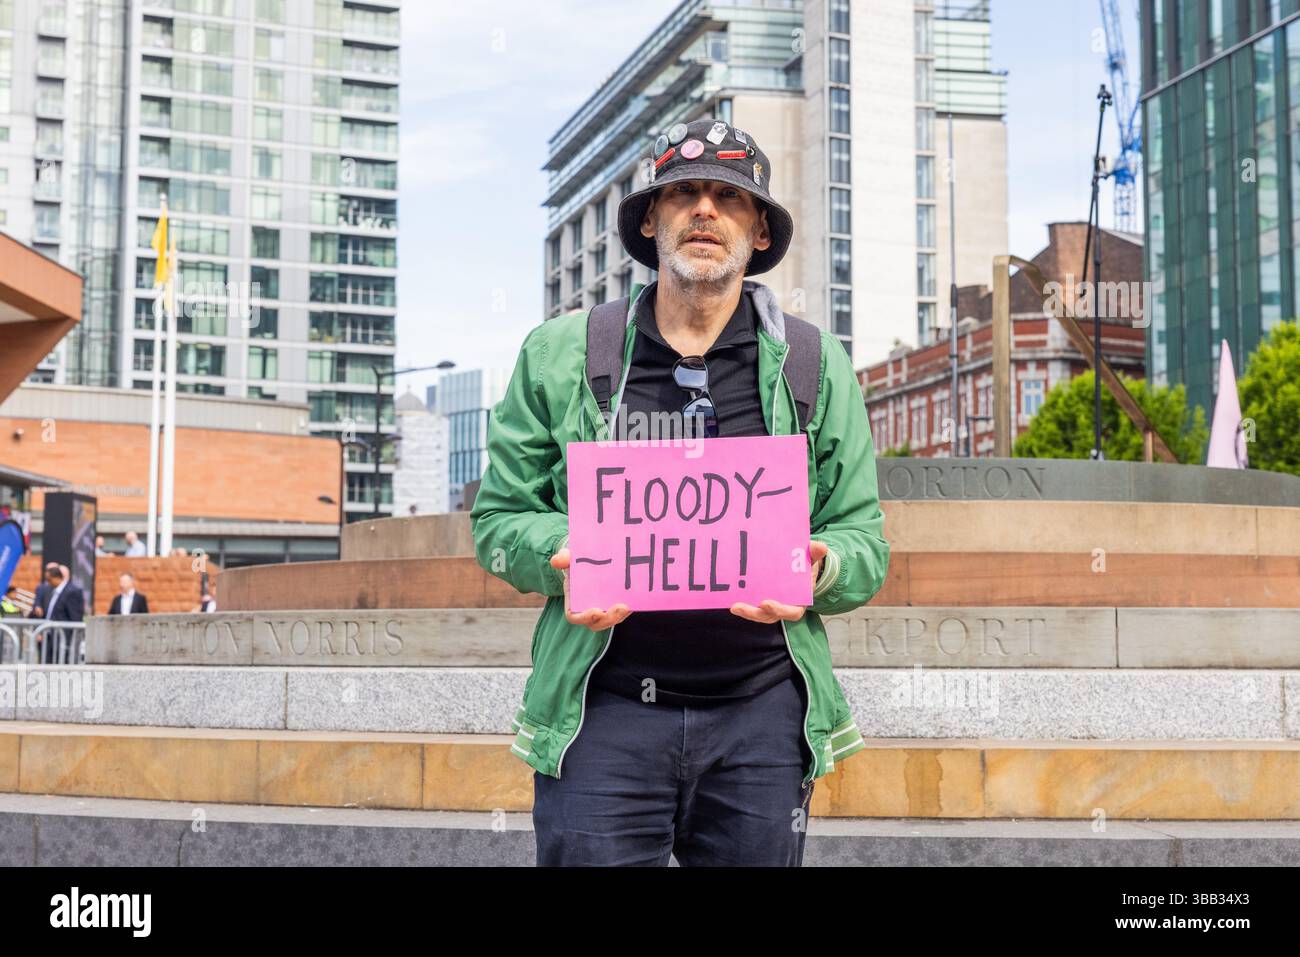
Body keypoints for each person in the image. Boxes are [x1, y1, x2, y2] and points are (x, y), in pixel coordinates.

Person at [471, 117, 889, 867]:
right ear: (651, 221)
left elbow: (864, 537)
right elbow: (499, 520)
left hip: (760, 719)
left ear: (758, 230)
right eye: (685, 194)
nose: (705, 210)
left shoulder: (814, 364)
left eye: (729, 197)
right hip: (604, 711)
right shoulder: (560, 354)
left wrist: (819, 562)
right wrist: (561, 551)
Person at [28, 564, 85, 663]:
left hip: (62, 638)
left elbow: (75, 617)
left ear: (57, 578)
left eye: (50, 580)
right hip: (50, 637)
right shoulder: (53, 591)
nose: (48, 583)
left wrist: (71, 638)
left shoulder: (71, 592)